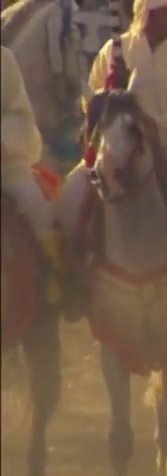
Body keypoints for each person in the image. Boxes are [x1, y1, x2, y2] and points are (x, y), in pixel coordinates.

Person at [83, 0, 167, 162]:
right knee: (74, 186)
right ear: (148, 16)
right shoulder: (113, 50)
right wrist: (108, 89)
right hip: (118, 153)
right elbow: (90, 103)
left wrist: (147, 129)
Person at [2, 46, 64, 307]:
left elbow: (22, 118)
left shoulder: (3, 60)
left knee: (35, 204)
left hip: (5, 167)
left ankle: (54, 282)